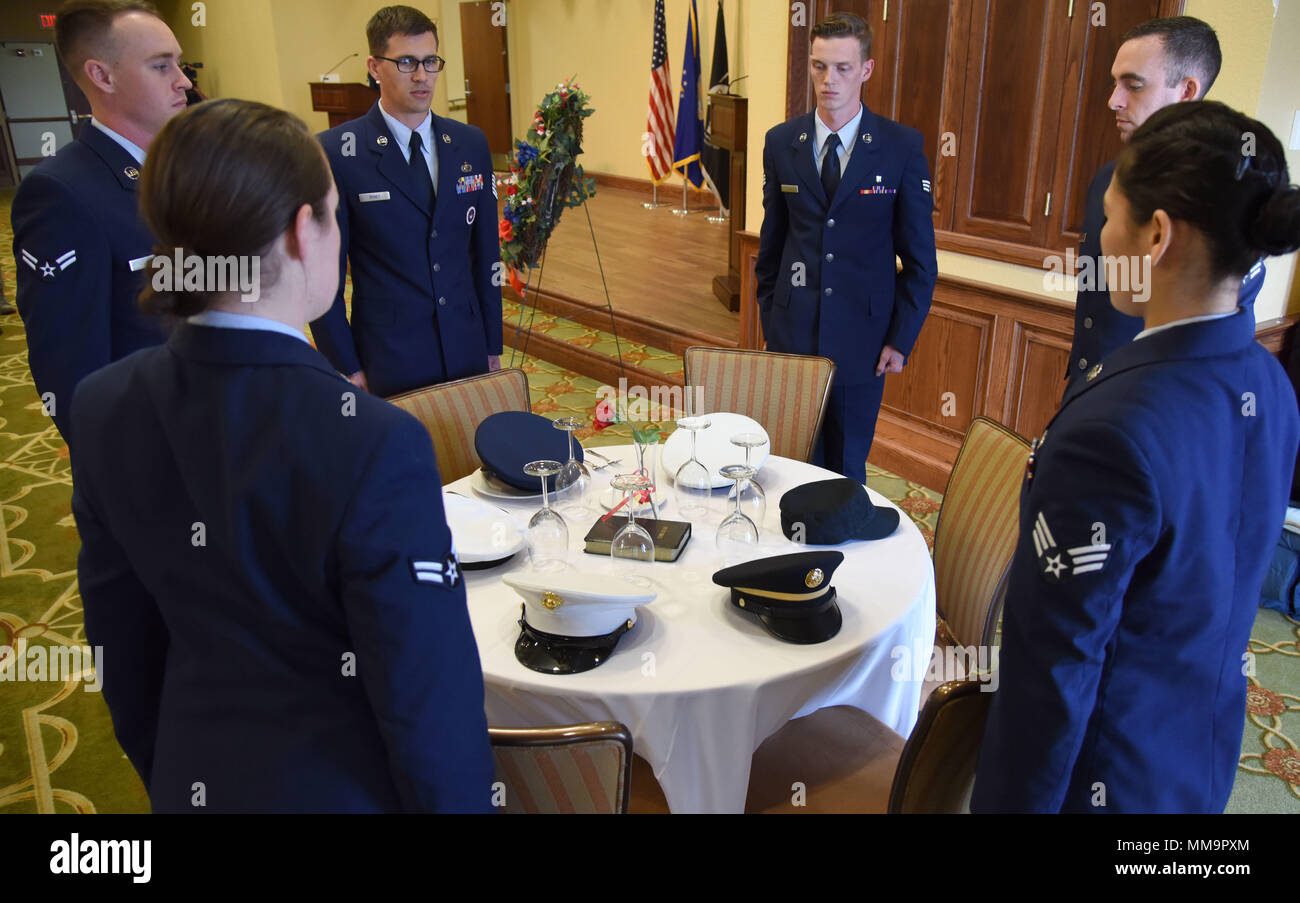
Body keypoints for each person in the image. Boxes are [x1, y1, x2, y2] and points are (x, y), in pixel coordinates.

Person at [68, 98, 495, 813]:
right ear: (305, 230)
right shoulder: (374, 439)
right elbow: (429, 707)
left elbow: (125, 653)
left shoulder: (102, 404)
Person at [972, 101, 1300, 813]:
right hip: (1197, 754)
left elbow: (1053, 672)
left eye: (1110, 214)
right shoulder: (1270, 382)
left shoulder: (1108, 435)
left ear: (1155, 235)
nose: (1098, 235)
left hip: (1100, 779)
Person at [755, 12, 936, 481]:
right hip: (793, 336)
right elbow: (771, 247)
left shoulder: (901, 147)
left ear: (866, 70)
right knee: (788, 462)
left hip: (865, 339)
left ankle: (840, 554)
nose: (828, 80)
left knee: (846, 466)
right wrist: (771, 318)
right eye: (818, 66)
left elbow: (919, 260)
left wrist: (900, 337)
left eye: (842, 68)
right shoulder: (780, 143)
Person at [12, 0, 189, 439]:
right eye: (161, 66)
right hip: (153, 440)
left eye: (179, 64)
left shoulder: (189, 165)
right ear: (102, 76)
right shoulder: (62, 192)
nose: (183, 81)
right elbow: (69, 365)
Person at [309, 5, 502, 398]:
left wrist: (492, 344)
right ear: (375, 67)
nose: (421, 76)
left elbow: (487, 256)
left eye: (430, 61)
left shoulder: (469, 143)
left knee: (472, 457)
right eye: (406, 62)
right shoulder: (337, 152)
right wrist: (345, 366)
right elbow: (321, 275)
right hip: (389, 358)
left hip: (466, 348)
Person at [1066, 16, 1264, 390]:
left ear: (1187, 90)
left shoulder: (1233, 195)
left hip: (1160, 397)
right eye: (1114, 83)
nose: (1113, 101)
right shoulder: (1108, 179)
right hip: (1089, 383)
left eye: (1133, 85)